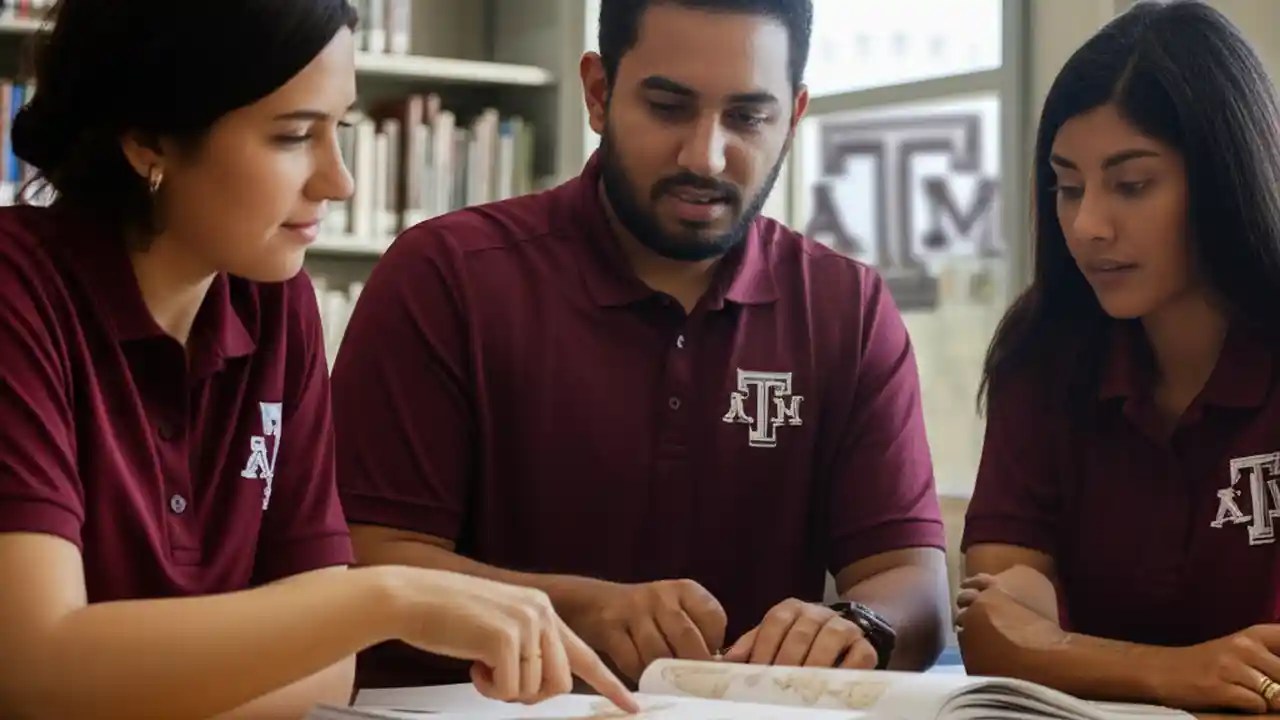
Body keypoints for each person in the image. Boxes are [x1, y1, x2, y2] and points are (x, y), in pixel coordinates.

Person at [0, 2, 637, 718]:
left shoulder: (277, 304)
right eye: (295, 136)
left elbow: (329, 675)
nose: (340, 181)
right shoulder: (18, 293)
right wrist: (384, 598)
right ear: (148, 139)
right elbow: (32, 665)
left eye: (342, 130)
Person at [331, 0, 950, 690]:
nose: (705, 156)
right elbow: (363, 561)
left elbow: (913, 584)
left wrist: (857, 624)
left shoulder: (847, 308)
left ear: (794, 116)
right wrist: (576, 611)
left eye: (748, 117)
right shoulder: (444, 277)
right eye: (668, 108)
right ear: (598, 94)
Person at [956, 0, 1280, 714]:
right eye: (1068, 187)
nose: (1087, 225)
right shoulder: (1042, 356)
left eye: (1132, 186)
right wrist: (1178, 672)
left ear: (1227, 176)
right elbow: (997, 625)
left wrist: (1070, 651)